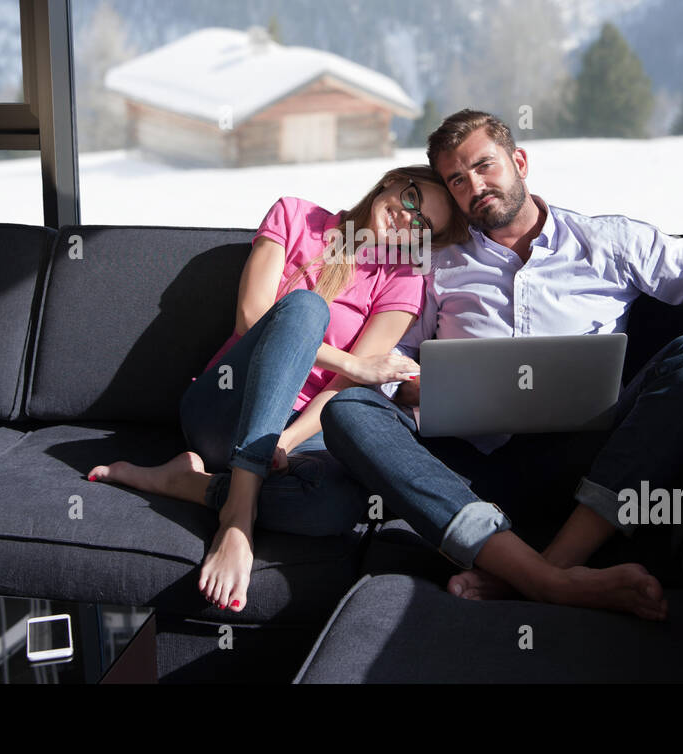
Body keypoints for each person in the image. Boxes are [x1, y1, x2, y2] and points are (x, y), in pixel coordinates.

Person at [320, 110, 683, 620]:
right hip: (468, 471)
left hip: (587, 463)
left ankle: (554, 564)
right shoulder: (435, 261)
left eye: (485, 166)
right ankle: (546, 580)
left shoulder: (607, 241)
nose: (475, 186)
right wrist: (411, 386)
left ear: (519, 161)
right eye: (458, 179)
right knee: (348, 411)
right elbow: (397, 356)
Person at [88, 166, 468, 613]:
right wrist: (351, 362)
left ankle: (194, 485)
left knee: (341, 505)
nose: (408, 220)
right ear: (391, 182)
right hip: (226, 406)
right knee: (305, 309)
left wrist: (284, 442)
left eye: (423, 224)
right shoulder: (295, 216)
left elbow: (344, 391)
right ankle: (238, 518)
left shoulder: (403, 280)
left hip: (304, 430)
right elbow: (251, 319)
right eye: (411, 200)